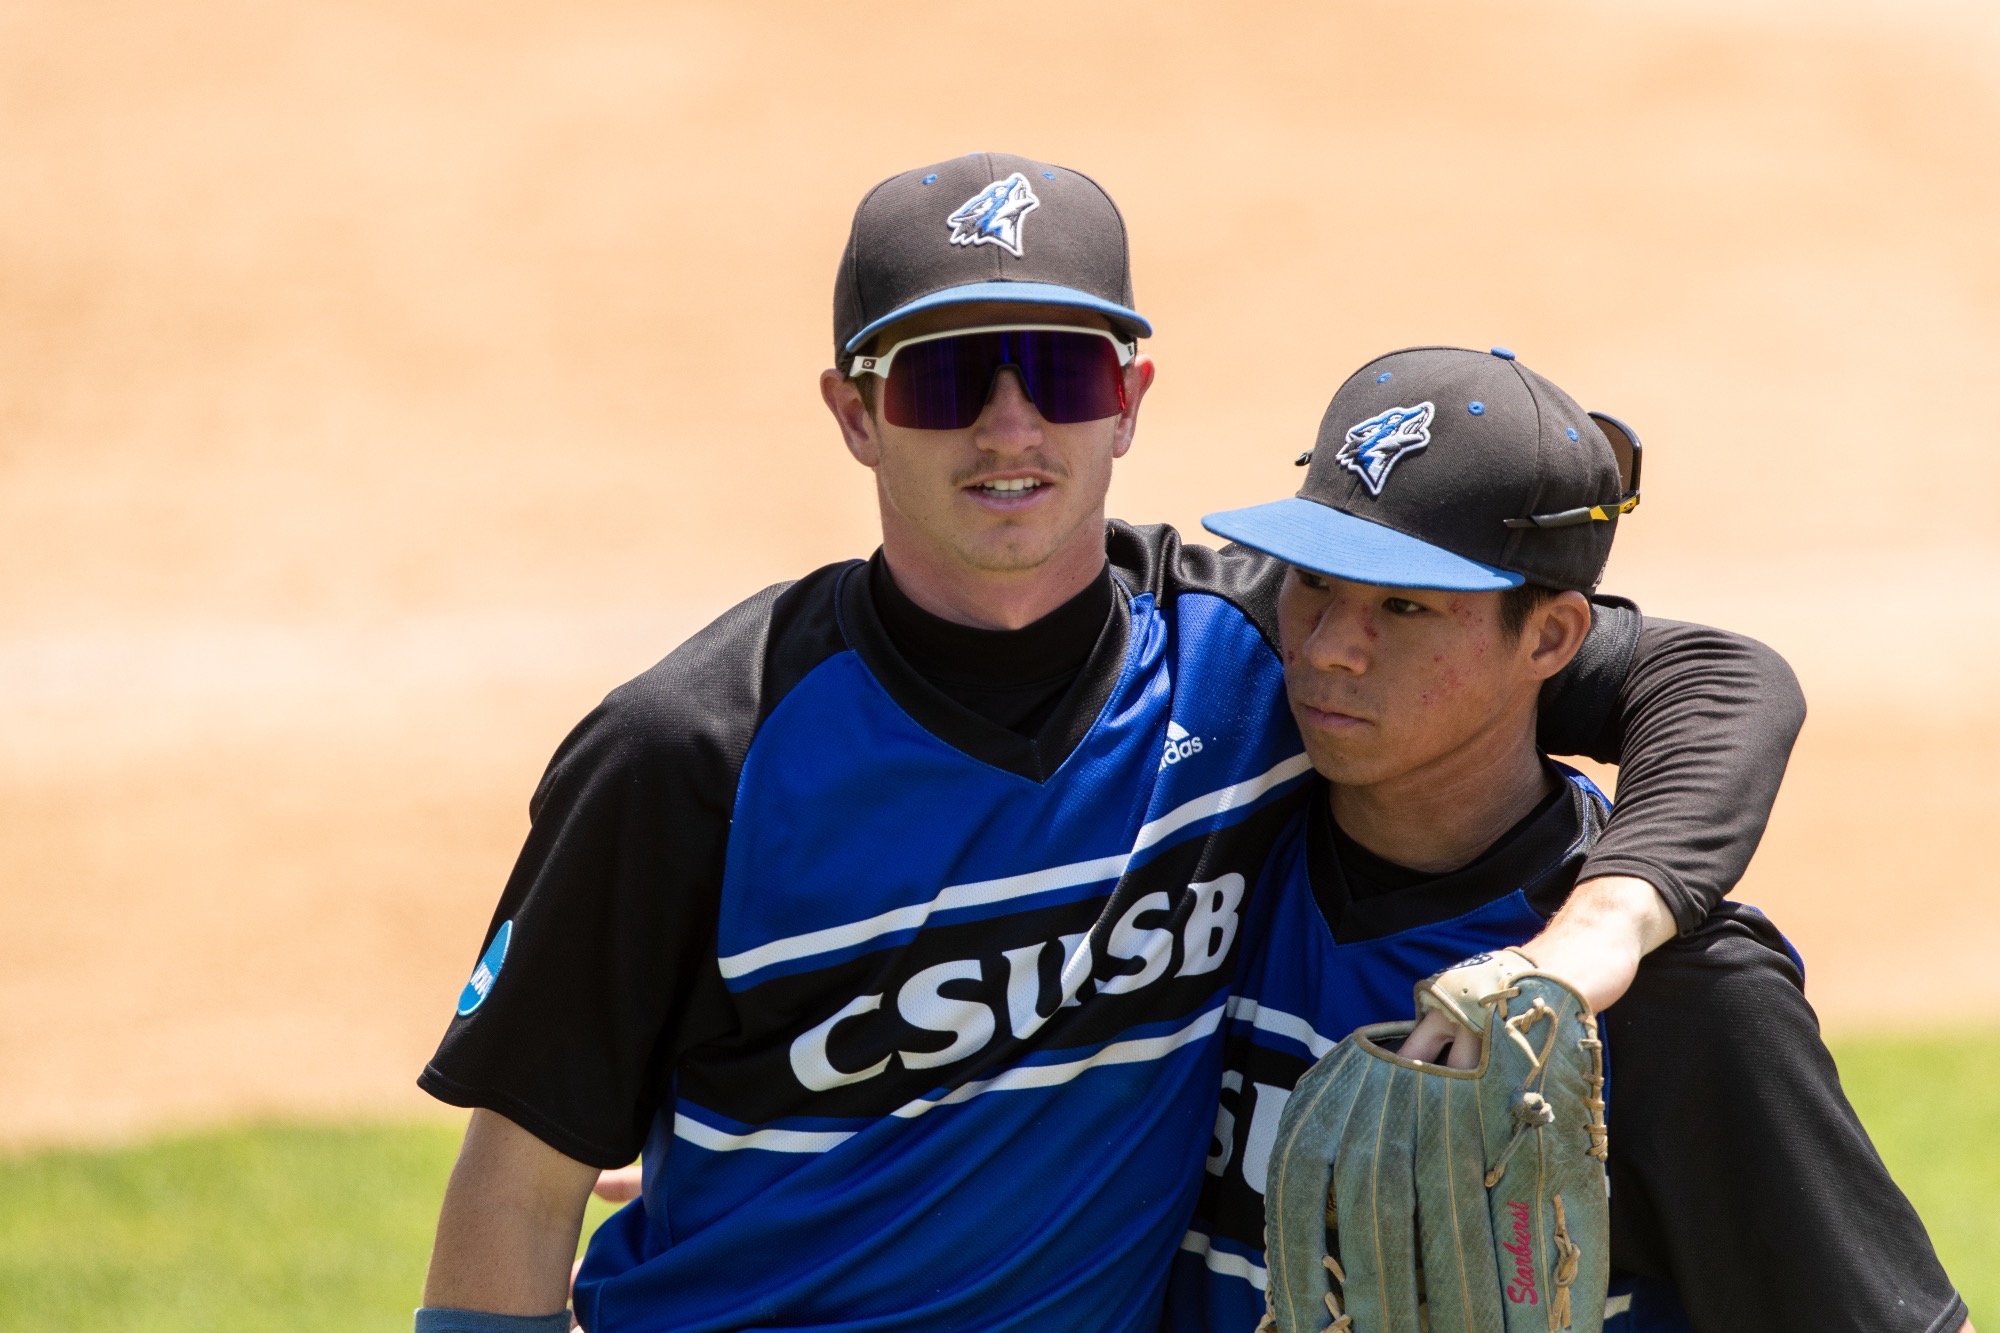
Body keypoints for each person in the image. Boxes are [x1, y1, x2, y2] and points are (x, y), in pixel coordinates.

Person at [411, 154, 1806, 1333]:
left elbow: (1710, 675)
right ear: (853, 411)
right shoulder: (694, 749)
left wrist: (1603, 928)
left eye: (1061, 372)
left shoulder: (1268, 651)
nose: (1009, 424)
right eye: (943, 377)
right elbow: (521, 1184)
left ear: (1131, 398)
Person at [1181, 346, 1969, 1332]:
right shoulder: (1208, 856)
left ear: (1552, 640)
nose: (1330, 645)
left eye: (1403, 606)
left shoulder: (1685, 1007)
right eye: (1311, 583)